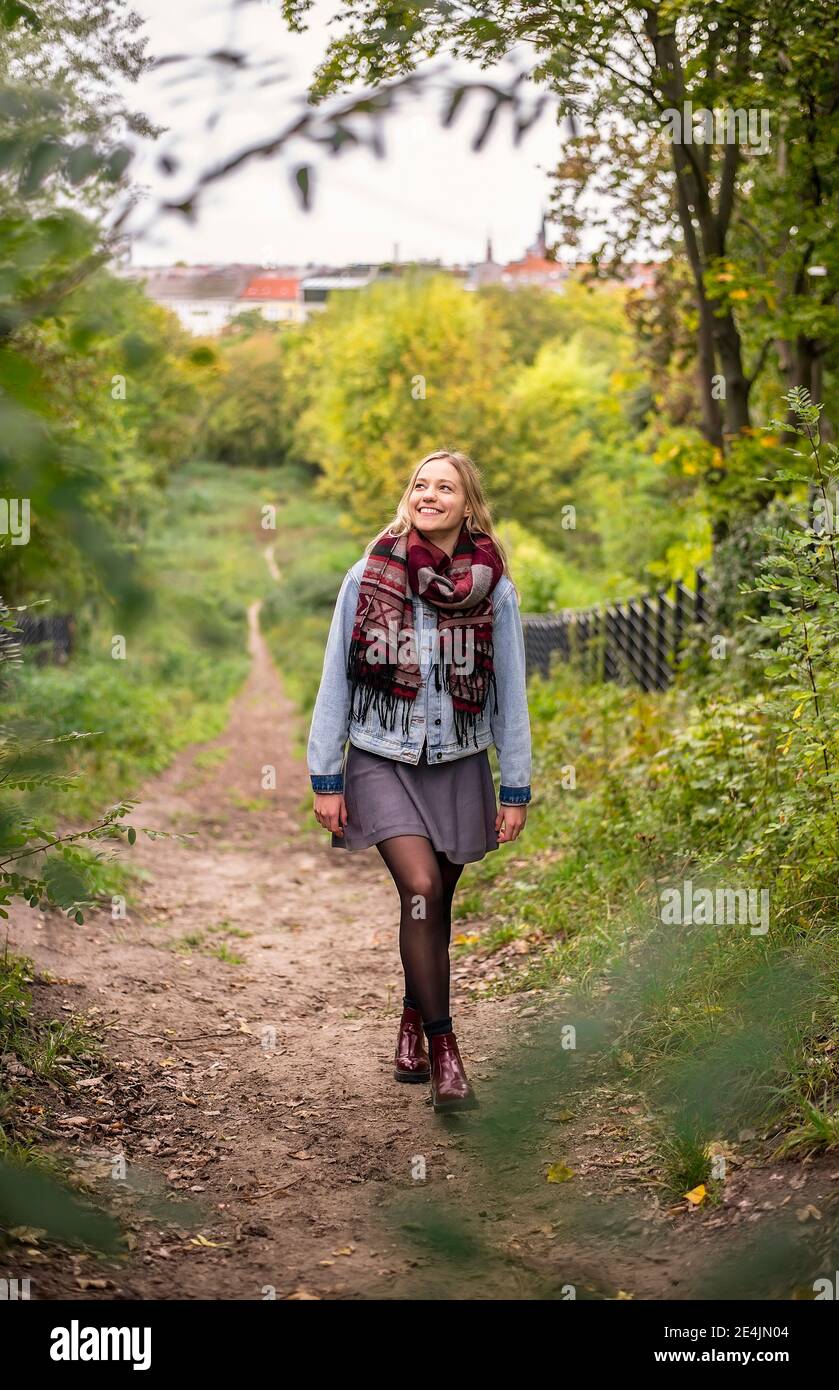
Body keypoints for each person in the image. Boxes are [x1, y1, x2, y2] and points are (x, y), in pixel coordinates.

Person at [307, 450, 532, 1112]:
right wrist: (326, 775)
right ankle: (445, 1051)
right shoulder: (368, 575)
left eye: (444, 487)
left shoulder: (495, 591)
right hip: (380, 755)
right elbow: (335, 679)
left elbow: (509, 696)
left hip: (460, 762)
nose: (427, 495)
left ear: (467, 507)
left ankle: (411, 1015)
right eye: (419, 484)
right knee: (421, 888)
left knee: (434, 910)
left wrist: (514, 788)